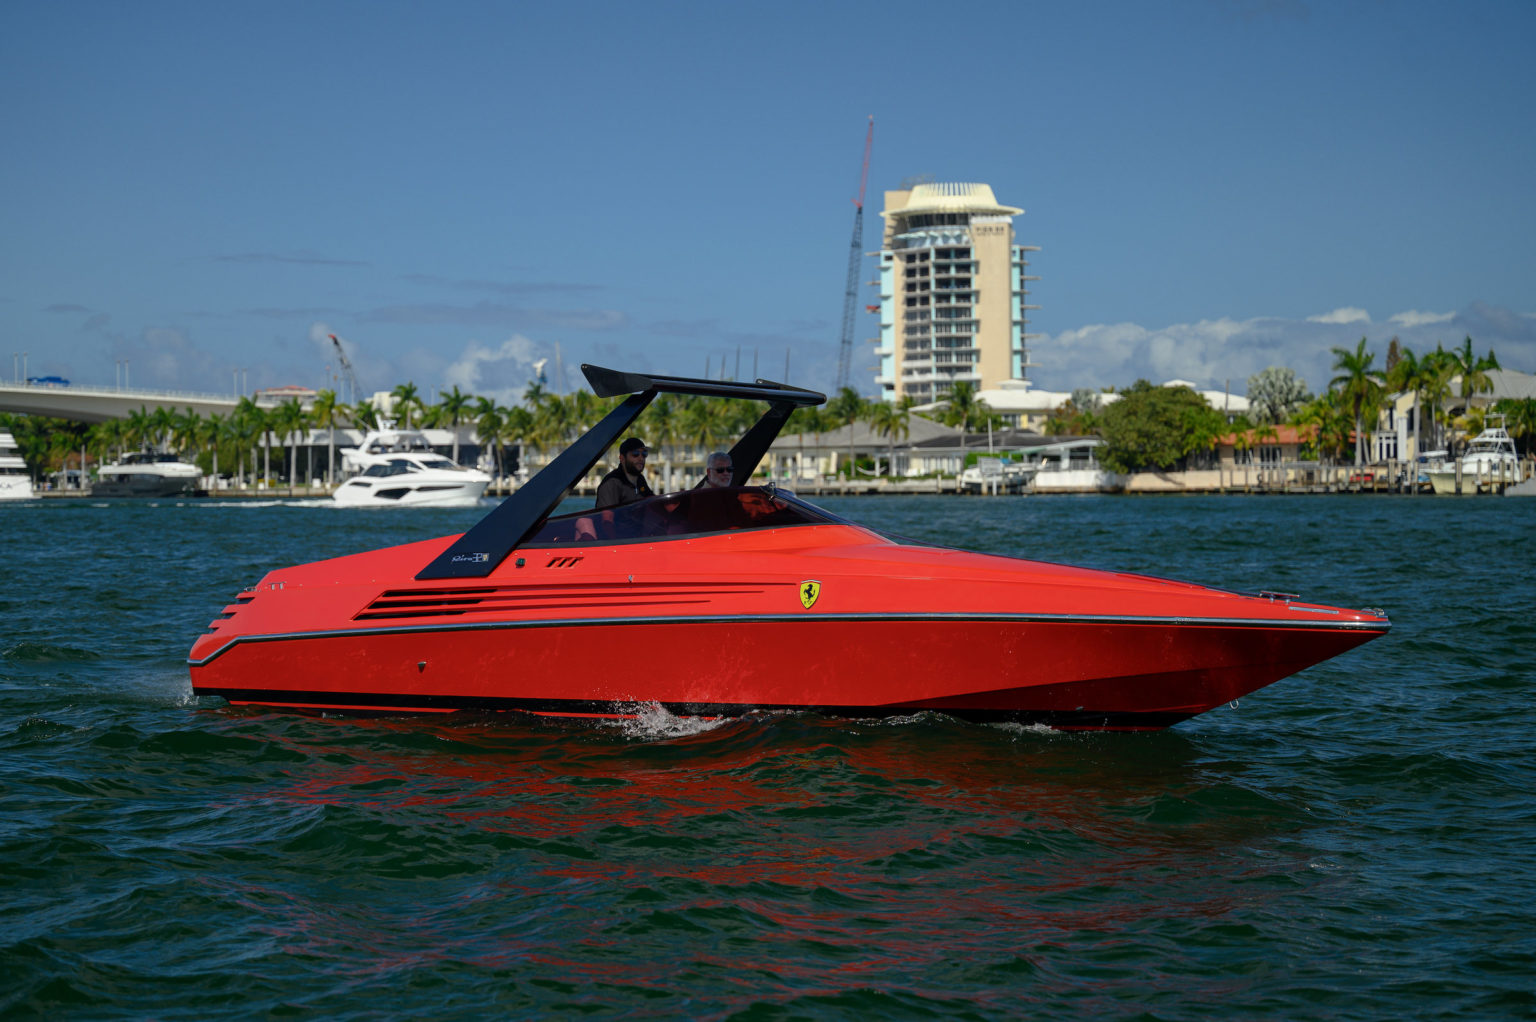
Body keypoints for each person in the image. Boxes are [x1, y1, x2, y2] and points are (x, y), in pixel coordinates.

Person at [595, 437, 654, 509]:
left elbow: (654, 503)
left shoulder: (640, 480)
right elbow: (606, 518)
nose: (641, 458)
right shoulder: (611, 483)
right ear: (622, 458)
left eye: (644, 453)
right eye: (635, 453)